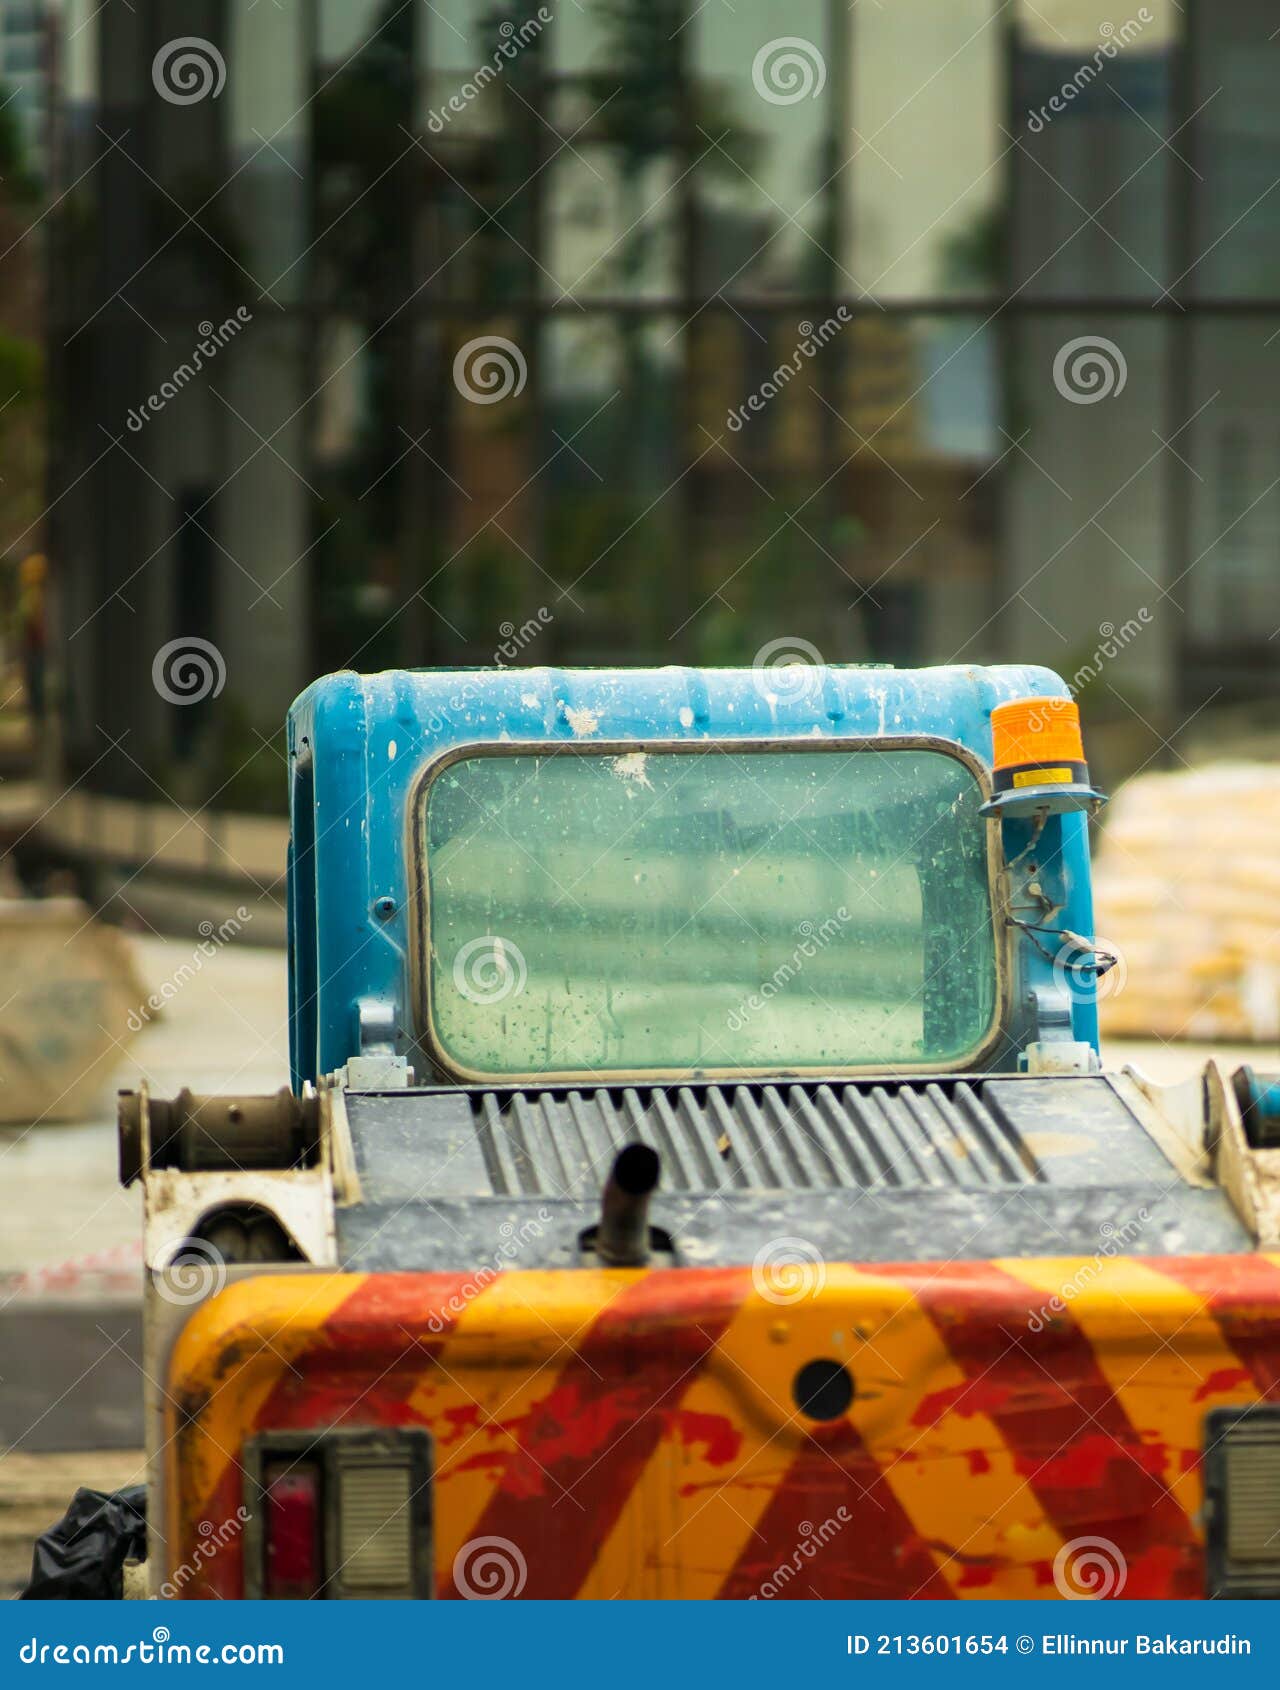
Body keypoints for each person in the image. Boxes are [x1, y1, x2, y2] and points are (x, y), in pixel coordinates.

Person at [16, 551, 46, 724]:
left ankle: (38, 720)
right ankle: (37, 720)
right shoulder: (32, 594)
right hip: (33, 647)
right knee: (35, 686)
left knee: (37, 686)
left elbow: (34, 623)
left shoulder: (34, 595)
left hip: (36, 647)